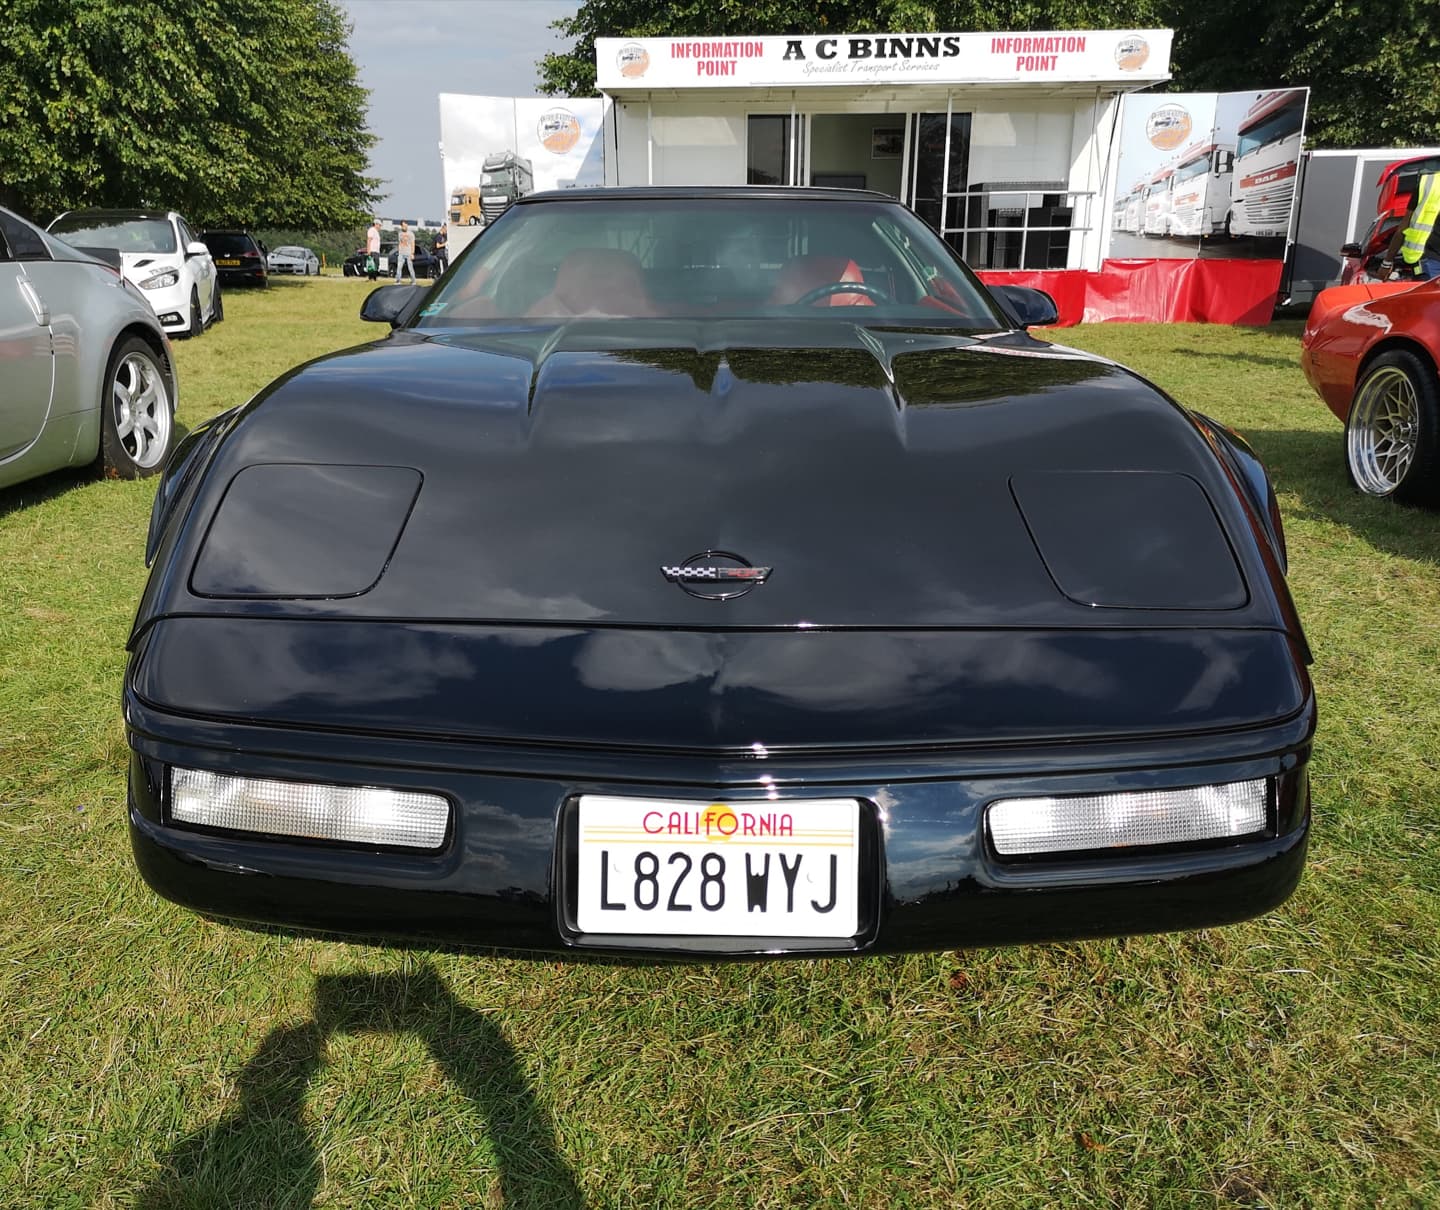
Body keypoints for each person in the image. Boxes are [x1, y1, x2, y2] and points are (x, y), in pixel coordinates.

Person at [1378, 171, 1440, 282]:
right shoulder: (1428, 182)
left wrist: (1387, 263)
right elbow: (1404, 226)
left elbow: (1404, 226)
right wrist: (1387, 262)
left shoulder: (1429, 182)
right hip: (1428, 261)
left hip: (1427, 261)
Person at [394, 219, 417, 285]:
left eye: (406, 226)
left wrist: (412, 253)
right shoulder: (400, 233)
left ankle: (413, 281)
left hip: (409, 253)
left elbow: (413, 243)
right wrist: (399, 251)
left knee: (410, 268)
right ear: (401, 226)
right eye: (403, 226)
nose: (405, 227)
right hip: (401, 253)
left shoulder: (411, 234)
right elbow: (399, 243)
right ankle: (398, 281)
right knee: (399, 267)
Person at [364, 217, 381, 281]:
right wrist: (368, 250)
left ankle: (374, 278)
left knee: (376, 264)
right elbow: (369, 240)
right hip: (372, 250)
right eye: (379, 225)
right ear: (376, 224)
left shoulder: (376, 232)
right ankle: (371, 278)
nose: (380, 227)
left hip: (376, 251)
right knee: (372, 265)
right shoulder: (371, 230)